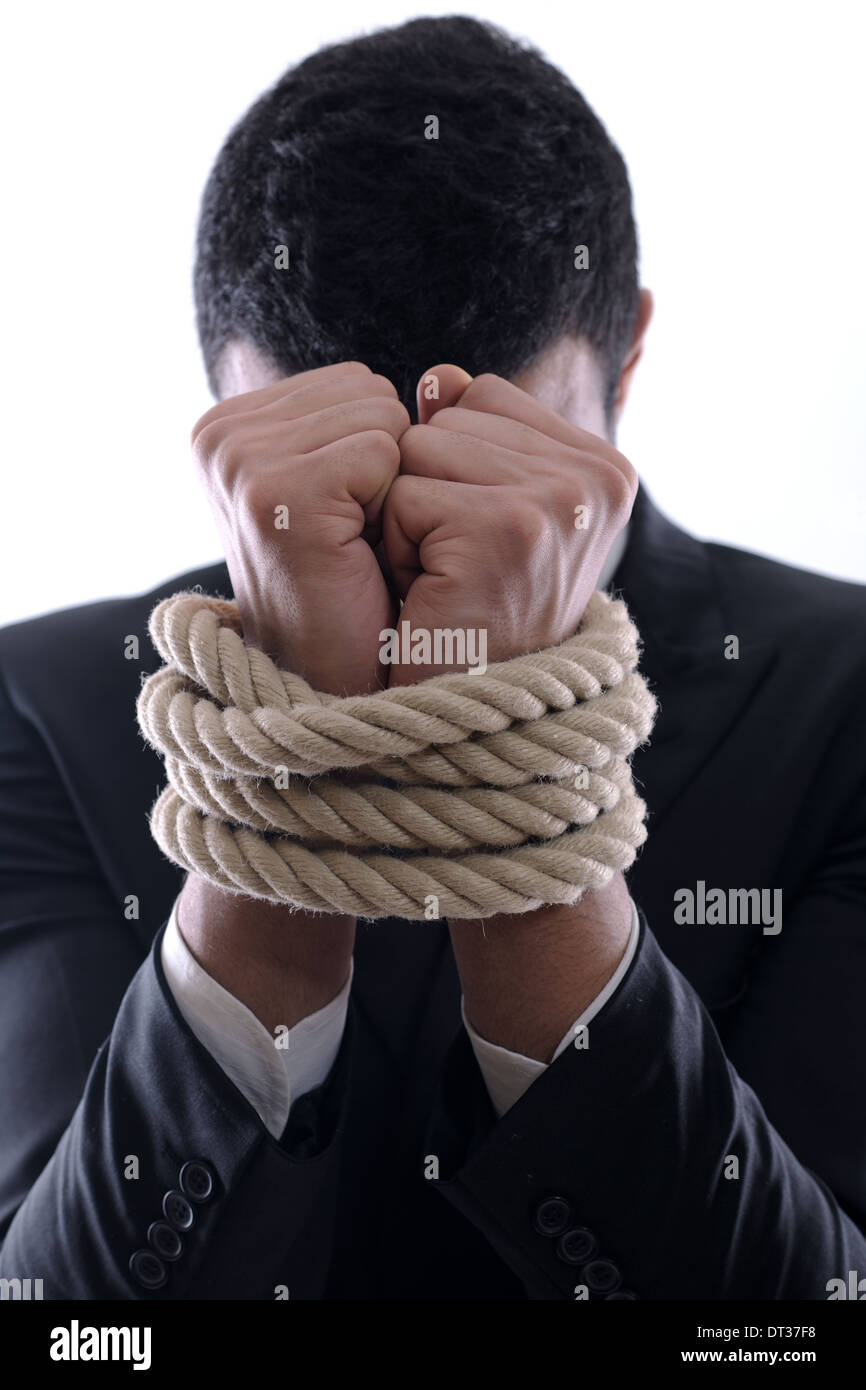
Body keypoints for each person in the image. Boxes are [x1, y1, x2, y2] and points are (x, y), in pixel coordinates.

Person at [1, 16, 864, 1301]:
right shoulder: (37, 709)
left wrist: (513, 781)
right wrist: (279, 773)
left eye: (490, 469)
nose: (416, 549)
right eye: (352, 492)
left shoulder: (844, 699)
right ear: (226, 419)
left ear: (627, 354)